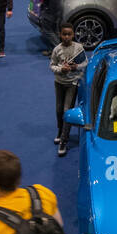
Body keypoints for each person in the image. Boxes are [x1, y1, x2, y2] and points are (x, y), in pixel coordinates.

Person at [50, 24, 86, 156]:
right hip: (59, 83)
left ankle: (64, 141)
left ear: (73, 34)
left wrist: (76, 67)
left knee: (67, 111)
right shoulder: (57, 50)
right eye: (64, 34)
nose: (66, 37)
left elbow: (85, 63)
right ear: (60, 34)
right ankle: (60, 131)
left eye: (69, 34)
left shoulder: (78, 48)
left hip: (73, 83)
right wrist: (61, 69)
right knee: (58, 110)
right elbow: (52, 65)